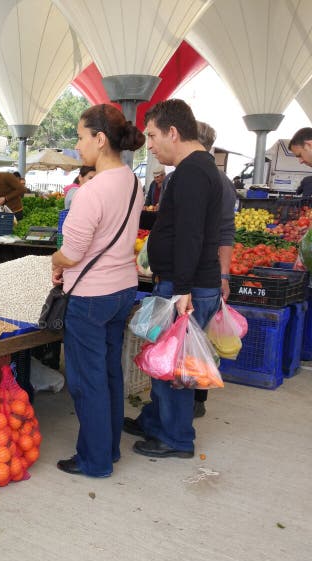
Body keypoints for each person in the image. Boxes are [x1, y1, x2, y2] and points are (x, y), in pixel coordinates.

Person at [50, 104, 145, 478]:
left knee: (86, 381)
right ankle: (110, 448)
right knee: (108, 373)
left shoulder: (91, 192)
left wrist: (53, 261)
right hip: (123, 290)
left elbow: (72, 253)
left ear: (100, 139)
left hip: (90, 296)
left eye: (80, 136)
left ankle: (94, 460)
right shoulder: (133, 182)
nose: (78, 144)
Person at [124, 99, 222, 459]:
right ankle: (155, 421)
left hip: (187, 289)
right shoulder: (196, 168)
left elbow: (191, 235)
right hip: (187, 285)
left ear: (173, 132)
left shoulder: (194, 171)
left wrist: (181, 289)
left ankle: (176, 438)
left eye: (152, 136)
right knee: (165, 361)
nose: (148, 145)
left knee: (175, 369)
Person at [193, 120, 237, 418]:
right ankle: (197, 400)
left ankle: (189, 404)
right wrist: (224, 276)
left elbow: (221, 233)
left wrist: (222, 275)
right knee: (200, 339)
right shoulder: (224, 181)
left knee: (189, 341)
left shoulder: (197, 177)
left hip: (197, 277)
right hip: (210, 276)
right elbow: (227, 233)